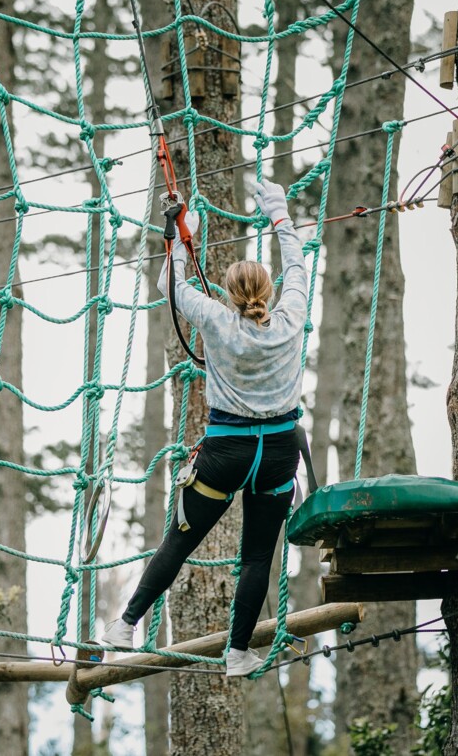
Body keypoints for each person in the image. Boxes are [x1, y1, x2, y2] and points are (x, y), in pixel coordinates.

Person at [101, 180, 307, 677]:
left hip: (227, 452)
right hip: (278, 452)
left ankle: (126, 624)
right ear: (269, 292)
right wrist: (277, 212)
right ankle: (238, 653)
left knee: (179, 540)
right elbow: (298, 266)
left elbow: (169, 288)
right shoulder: (291, 318)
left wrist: (180, 236)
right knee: (257, 556)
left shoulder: (216, 319)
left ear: (231, 295)